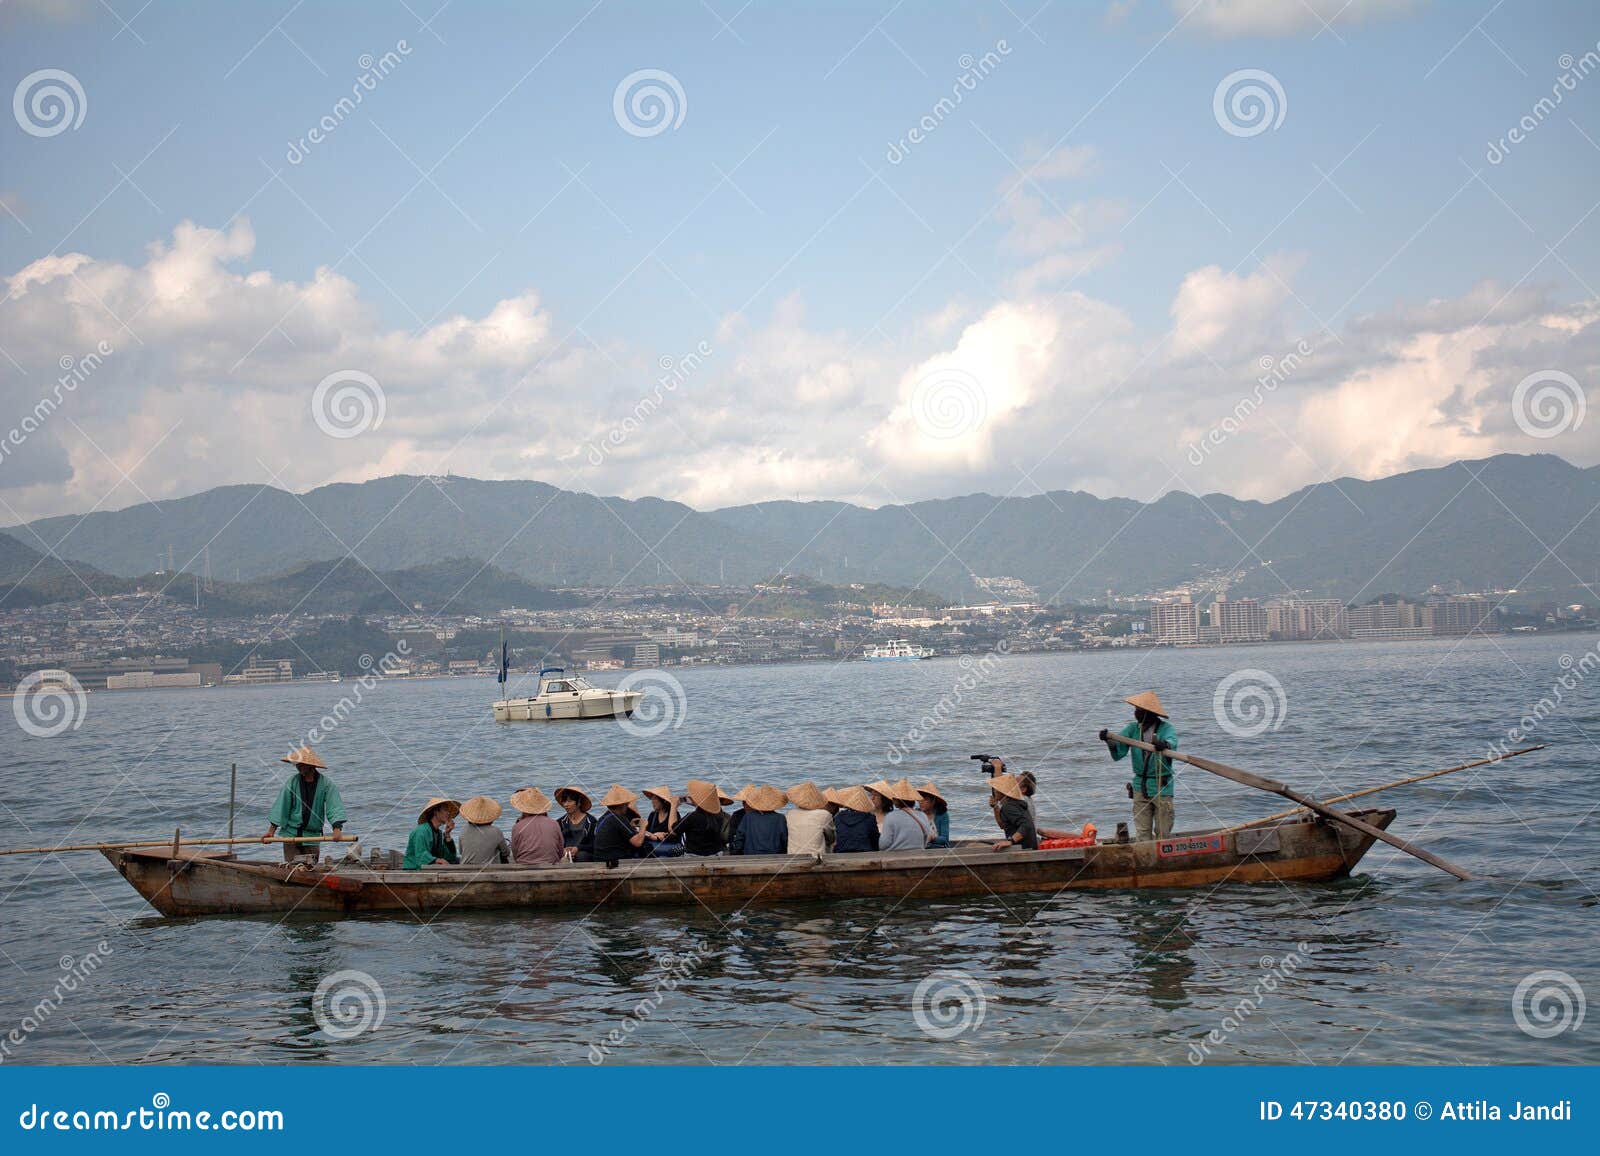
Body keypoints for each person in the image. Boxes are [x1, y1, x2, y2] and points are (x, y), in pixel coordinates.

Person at [1101, 690, 1179, 841]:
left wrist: (1164, 745)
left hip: (1161, 785)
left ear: (1149, 713)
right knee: (1143, 833)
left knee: (1163, 831)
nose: (1136, 714)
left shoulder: (1166, 729)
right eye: (1136, 711)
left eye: (1139, 711)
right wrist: (1108, 739)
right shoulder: (1132, 729)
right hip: (1140, 786)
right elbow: (1119, 748)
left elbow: (1172, 742)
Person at [262, 746, 348, 862]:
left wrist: (336, 828)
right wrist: (271, 832)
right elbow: (282, 806)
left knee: (310, 868)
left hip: (312, 836)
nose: (298, 767)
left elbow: (334, 806)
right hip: (291, 835)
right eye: (297, 764)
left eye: (301, 764)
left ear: (311, 766)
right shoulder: (292, 782)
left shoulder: (326, 784)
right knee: (292, 868)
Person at [592, 786, 649, 866]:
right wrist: (643, 826)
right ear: (621, 805)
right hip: (614, 860)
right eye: (626, 804)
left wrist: (629, 825)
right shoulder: (619, 818)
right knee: (646, 847)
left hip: (599, 859)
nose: (627, 806)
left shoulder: (603, 818)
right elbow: (638, 842)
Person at [508, 788, 565, 866]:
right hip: (550, 865)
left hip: (524, 866)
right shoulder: (554, 823)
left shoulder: (517, 826)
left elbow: (515, 853)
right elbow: (560, 851)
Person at [672, 780, 729, 856]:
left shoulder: (692, 817)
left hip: (694, 857)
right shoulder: (722, 817)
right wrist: (698, 805)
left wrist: (673, 806)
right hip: (716, 855)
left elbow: (673, 830)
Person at [403, 798, 460, 869]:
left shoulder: (439, 833)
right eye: (445, 810)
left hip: (429, 867)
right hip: (414, 869)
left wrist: (447, 835)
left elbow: (449, 857)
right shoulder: (421, 831)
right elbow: (421, 855)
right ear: (436, 811)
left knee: (457, 860)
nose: (448, 813)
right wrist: (438, 860)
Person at [730, 786, 788, 854]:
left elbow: (739, 839)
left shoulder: (748, 817)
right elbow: (784, 840)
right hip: (774, 855)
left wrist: (736, 852)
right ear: (774, 803)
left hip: (750, 855)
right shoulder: (780, 818)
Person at [990, 774, 1038, 852]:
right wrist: (995, 807)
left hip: (1023, 849)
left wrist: (1010, 841)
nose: (994, 791)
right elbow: (1003, 825)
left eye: (997, 789)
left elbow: (1026, 825)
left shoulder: (1009, 806)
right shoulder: (1013, 803)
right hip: (1027, 845)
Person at [785, 781, 835, 855]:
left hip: (792, 855)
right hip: (816, 858)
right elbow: (831, 838)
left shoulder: (790, 814)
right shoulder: (824, 814)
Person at [457, 796, 510, 865]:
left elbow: (461, 852)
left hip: (466, 869)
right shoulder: (495, 831)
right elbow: (506, 852)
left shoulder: (463, 830)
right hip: (490, 871)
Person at [879, 780, 929, 851]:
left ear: (897, 800)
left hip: (895, 859)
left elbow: (883, 845)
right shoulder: (923, 815)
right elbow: (925, 841)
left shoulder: (891, 816)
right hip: (919, 856)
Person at [829, 787, 880, 852]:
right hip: (865, 853)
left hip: (841, 853)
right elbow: (875, 840)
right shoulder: (870, 818)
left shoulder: (838, 817)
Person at [555, 787, 598, 861]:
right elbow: (556, 843)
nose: (566, 805)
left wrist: (578, 848)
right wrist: (563, 850)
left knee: (582, 856)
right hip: (565, 855)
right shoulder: (560, 822)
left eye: (569, 801)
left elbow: (594, 844)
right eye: (564, 801)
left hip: (584, 856)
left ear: (579, 802)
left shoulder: (591, 821)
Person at [641, 786, 685, 857]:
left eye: (655, 799)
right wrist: (654, 835)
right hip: (655, 846)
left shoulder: (674, 814)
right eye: (652, 799)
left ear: (663, 801)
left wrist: (663, 835)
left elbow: (674, 833)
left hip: (671, 846)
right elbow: (647, 833)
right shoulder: (652, 815)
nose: (652, 802)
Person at [916, 783, 950, 847]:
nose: (921, 802)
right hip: (920, 848)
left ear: (933, 801)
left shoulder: (942, 815)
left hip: (938, 849)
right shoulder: (916, 813)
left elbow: (945, 839)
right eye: (919, 799)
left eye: (925, 799)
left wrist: (932, 838)